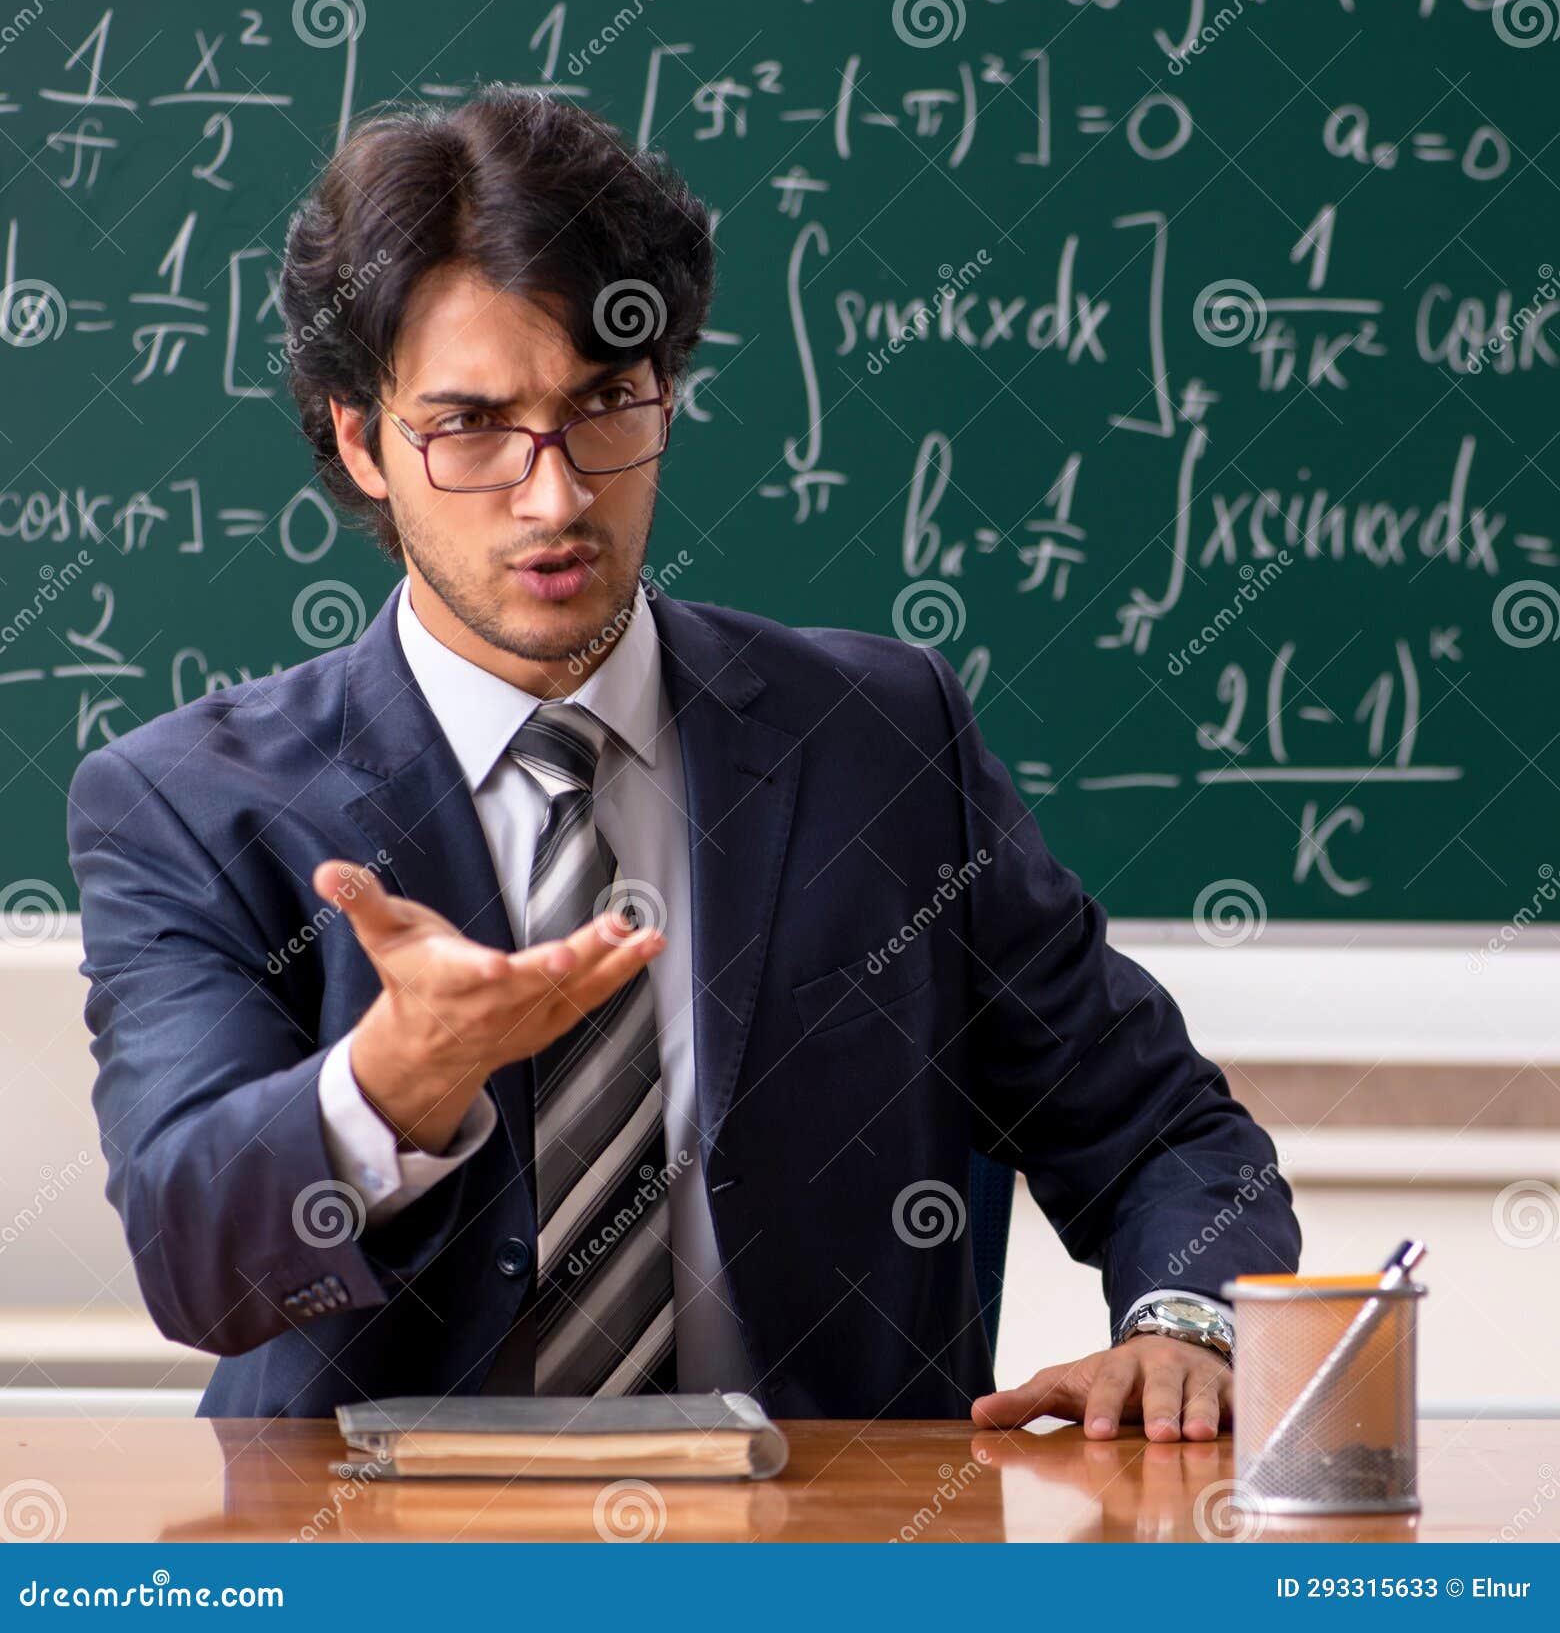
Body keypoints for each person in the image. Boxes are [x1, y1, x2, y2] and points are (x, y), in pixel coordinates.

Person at [68, 84, 1300, 1431]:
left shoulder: (881, 740)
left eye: (604, 403)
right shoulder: (189, 804)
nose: (557, 496)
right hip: (377, 1557)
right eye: (473, 426)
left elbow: (1164, 1136)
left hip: (829, 1556)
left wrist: (1186, 1327)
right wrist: (392, 1082)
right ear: (364, 441)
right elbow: (195, 1256)